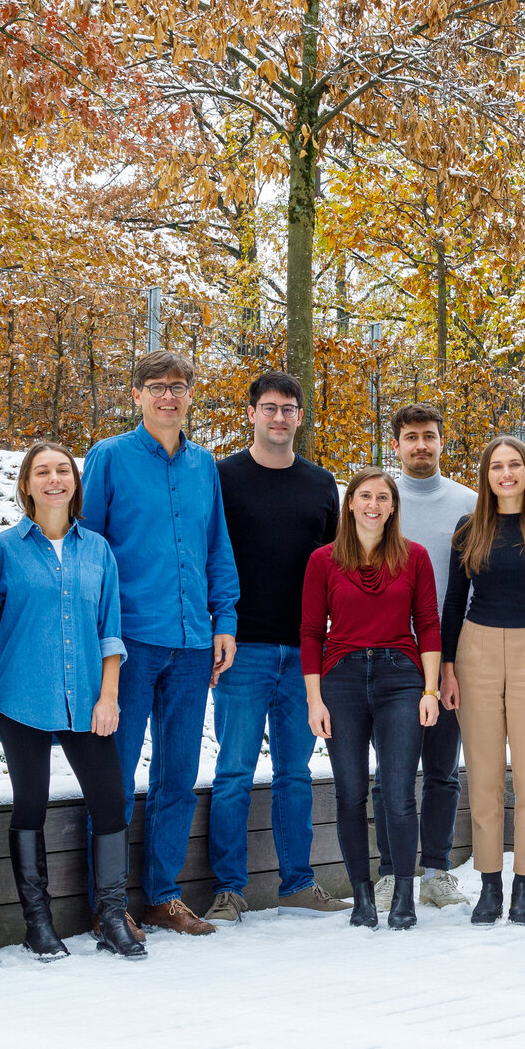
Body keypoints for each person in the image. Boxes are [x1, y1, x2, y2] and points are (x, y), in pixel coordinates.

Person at [81, 349, 239, 936]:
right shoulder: (110, 458)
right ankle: (110, 903)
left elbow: (217, 549)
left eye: (177, 387)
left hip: (194, 642)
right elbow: (88, 549)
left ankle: (163, 895)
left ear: (190, 395)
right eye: (156, 387)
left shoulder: (205, 468)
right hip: (130, 643)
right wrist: (99, 638)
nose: (167, 396)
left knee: (178, 774)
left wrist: (224, 621)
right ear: (137, 395)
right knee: (116, 778)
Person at [0, 441, 145, 960]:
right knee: (29, 804)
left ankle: (112, 918)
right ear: (26, 484)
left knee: (110, 802)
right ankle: (38, 923)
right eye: (42, 472)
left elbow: (110, 629)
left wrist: (110, 696)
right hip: (24, 695)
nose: (54, 479)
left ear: (74, 482)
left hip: (88, 699)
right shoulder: (2, 550)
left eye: (62, 471)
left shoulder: (97, 549)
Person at [205, 372, 346, 925]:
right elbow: (212, 555)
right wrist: (221, 626)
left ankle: (298, 883)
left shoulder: (319, 484)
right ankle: (228, 889)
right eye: (269, 408)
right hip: (242, 648)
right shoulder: (223, 478)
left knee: (295, 772)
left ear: (299, 416)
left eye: (289, 408)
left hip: (304, 651)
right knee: (234, 770)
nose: (279, 418)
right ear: (252, 414)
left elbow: (334, 565)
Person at [440, 436, 525, 927]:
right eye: (496, 466)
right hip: (475, 650)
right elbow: (454, 602)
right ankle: (490, 883)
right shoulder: (468, 527)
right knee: (483, 774)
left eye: (514, 464)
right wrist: (448, 669)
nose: (506, 474)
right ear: (487, 475)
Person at [302, 469, 443, 930]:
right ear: (350, 503)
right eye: (365, 495)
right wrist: (314, 700)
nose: (374, 504)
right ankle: (362, 897)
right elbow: (309, 632)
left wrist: (430, 689)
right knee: (349, 794)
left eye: (383, 497)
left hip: (400, 680)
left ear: (393, 506)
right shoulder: (323, 560)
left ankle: (404, 894)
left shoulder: (414, 557)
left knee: (399, 793)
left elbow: (428, 624)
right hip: (340, 681)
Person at [380, 404, 476, 910]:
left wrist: (457, 659)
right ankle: (389, 872)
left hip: (451, 659)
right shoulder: (378, 501)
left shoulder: (468, 503)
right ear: (396, 444)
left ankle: (437, 871)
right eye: (411, 437)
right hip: (390, 657)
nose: (421, 445)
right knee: (392, 773)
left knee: (442, 770)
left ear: (442, 442)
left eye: (430, 437)